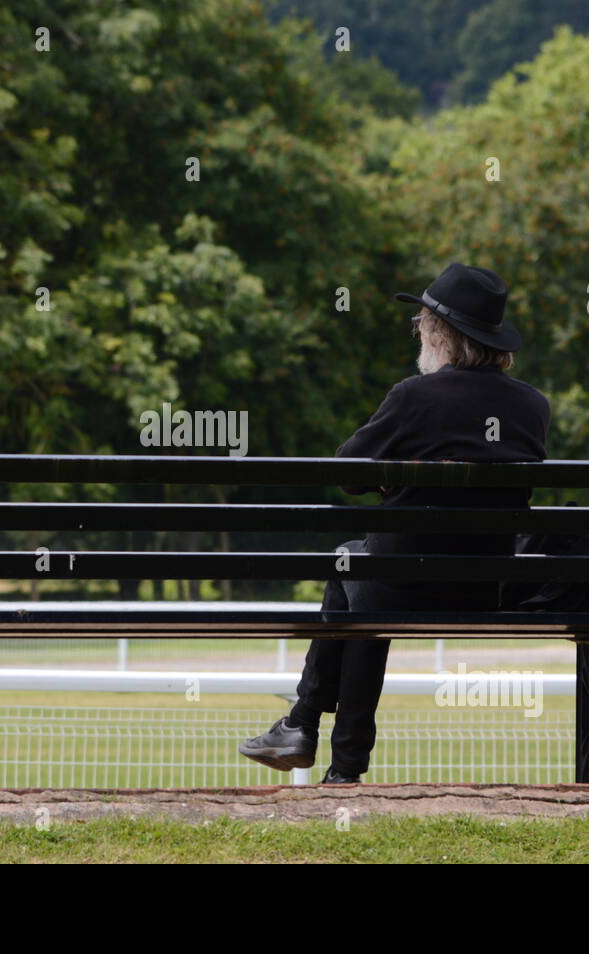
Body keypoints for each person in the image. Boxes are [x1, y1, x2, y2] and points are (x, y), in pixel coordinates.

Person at [239, 263, 551, 783]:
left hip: (400, 587)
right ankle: (309, 733)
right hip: (484, 589)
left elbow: (347, 471)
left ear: (440, 335)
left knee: (358, 574)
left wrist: (398, 483)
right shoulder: (532, 406)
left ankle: (318, 741)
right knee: (361, 569)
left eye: (423, 327)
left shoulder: (414, 396)